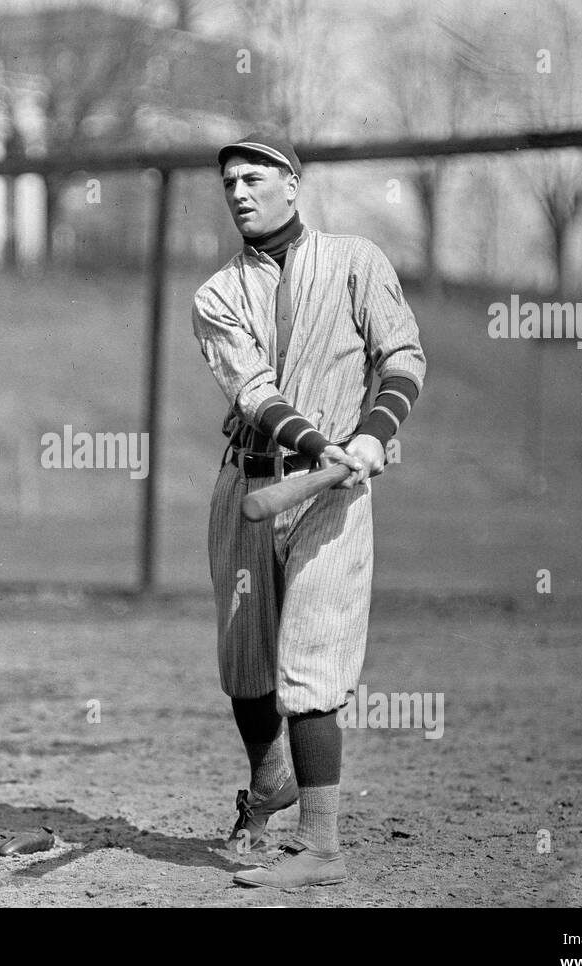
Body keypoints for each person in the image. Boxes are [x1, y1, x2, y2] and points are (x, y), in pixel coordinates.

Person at [191, 134, 427, 889]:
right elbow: (255, 393)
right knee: (245, 667)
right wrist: (322, 439)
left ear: (292, 184)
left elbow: (402, 358)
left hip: (333, 498)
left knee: (311, 665)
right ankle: (268, 781)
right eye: (229, 181)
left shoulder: (358, 261)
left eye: (254, 176)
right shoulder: (217, 295)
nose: (239, 191)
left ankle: (319, 845)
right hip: (251, 486)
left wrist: (372, 433)